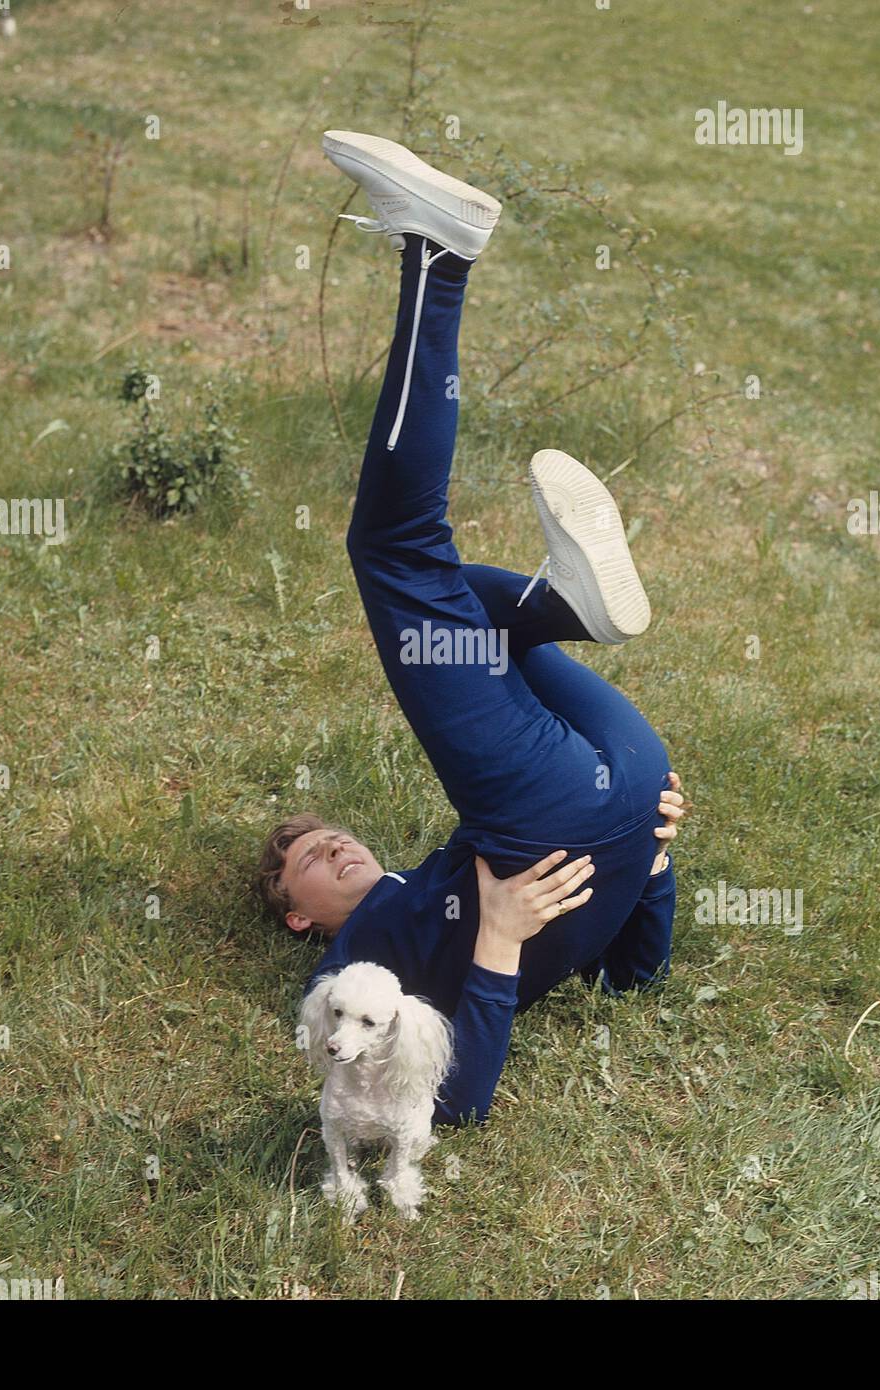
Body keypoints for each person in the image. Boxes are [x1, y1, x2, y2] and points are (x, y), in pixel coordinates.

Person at [258, 131, 687, 1126]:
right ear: (297, 919)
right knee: (399, 554)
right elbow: (454, 1101)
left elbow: (618, 977)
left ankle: (550, 612)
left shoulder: (423, 881)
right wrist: (519, 929)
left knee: (447, 613)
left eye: (328, 838)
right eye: (311, 866)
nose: (333, 853)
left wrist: (638, 845)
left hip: (598, 787)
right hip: (584, 816)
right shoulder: (347, 971)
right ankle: (438, 257)